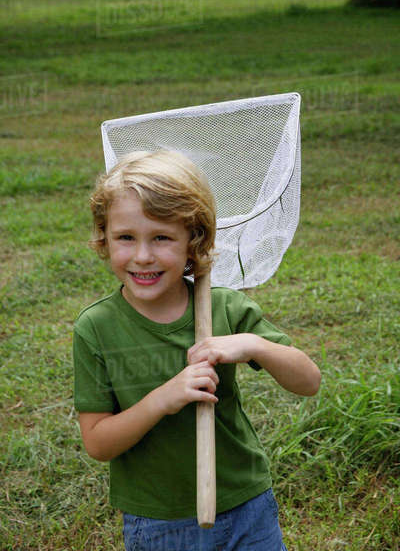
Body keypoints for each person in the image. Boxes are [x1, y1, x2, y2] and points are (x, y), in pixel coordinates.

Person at [73, 149, 321, 551]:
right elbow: (98, 443)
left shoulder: (226, 308)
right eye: (125, 238)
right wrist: (163, 399)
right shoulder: (96, 329)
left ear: (194, 240)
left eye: (162, 237)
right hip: (158, 520)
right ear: (104, 237)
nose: (142, 256)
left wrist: (254, 344)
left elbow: (309, 382)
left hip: (246, 504)